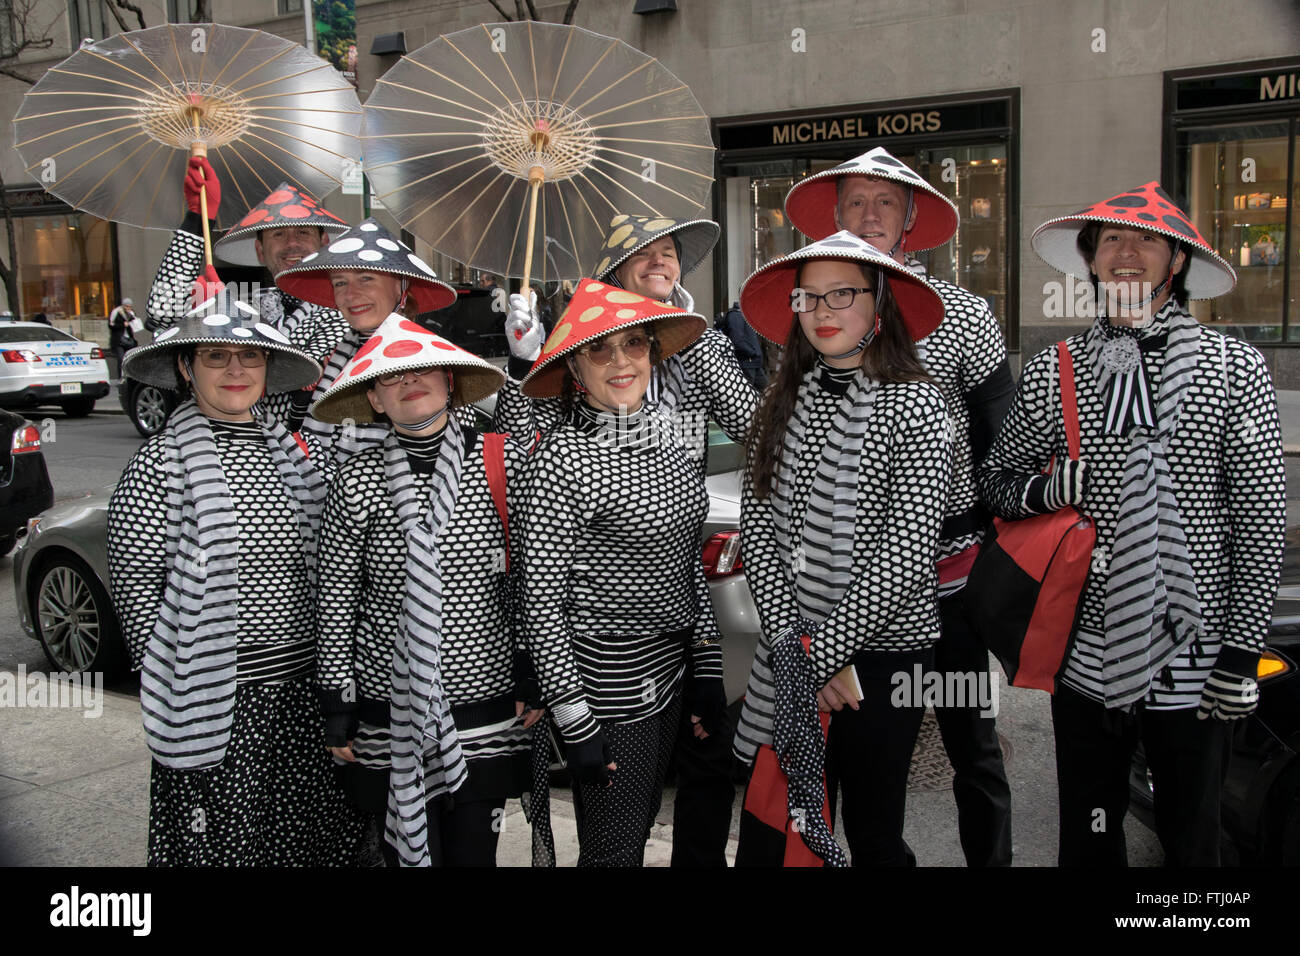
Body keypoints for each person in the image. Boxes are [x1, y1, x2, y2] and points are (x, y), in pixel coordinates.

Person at [978, 182, 1285, 866]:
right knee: (1089, 833)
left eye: (1146, 240)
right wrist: (1050, 487)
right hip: (1086, 650)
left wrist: (1239, 653)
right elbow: (995, 485)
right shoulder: (1057, 367)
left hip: (1194, 651)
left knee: (1190, 839)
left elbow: (1260, 518)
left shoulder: (1232, 366)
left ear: (1175, 263)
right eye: (1110, 239)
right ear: (1090, 258)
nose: (1126, 253)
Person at [500, 216, 758, 867]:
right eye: (600, 349)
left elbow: (682, 562)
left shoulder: (674, 435)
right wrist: (575, 719)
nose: (621, 362)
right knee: (613, 851)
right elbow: (541, 600)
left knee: (636, 833)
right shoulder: (562, 454)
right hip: (606, 684)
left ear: (653, 349)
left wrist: (702, 666)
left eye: (636, 346)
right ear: (574, 366)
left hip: (671, 674)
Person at [784, 146, 1016, 866]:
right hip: (849, 583)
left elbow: (999, 438)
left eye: (887, 202)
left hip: (948, 578)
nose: (871, 214)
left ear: (913, 218)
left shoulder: (967, 317)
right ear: (834, 216)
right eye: (856, 201)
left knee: (971, 742)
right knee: (863, 766)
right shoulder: (814, 312)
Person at [106, 294, 363, 866]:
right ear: (184, 367)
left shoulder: (296, 454)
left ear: (268, 369)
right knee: (225, 848)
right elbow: (138, 597)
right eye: (216, 357)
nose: (236, 371)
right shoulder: (158, 466)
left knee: (306, 845)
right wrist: (181, 683)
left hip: (302, 696)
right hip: (218, 703)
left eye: (249, 357)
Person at [732, 231, 951, 867]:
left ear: (879, 305)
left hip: (886, 657)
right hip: (792, 646)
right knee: (782, 823)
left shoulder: (918, 403)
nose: (824, 311)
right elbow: (762, 528)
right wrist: (796, 648)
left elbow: (907, 553)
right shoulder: (783, 396)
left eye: (843, 294)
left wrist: (819, 656)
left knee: (875, 831)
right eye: (810, 297)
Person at [310, 314, 540, 867]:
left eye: (423, 370)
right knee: (403, 852)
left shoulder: (501, 460)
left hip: (484, 699)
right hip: (387, 706)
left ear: (450, 382)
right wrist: (338, 703)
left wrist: (532, 670)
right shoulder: (356, 478)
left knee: (472, 856)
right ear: (375, 401)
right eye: (390, 377)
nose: (408, 382)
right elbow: (338, 597)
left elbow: (532, 577)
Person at [145, 159, 352, 426]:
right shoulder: (252, 305)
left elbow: (292, 368)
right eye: (278, 234)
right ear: (260, 250)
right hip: (256, 455)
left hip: (337, 456)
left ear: (324, 243)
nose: (291, 244)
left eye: (303, 232)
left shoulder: (353, 305)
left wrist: (232, 320)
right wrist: (196, 219)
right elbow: (163, 311)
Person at [275, 218, 458, 465]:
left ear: (400, 286)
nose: (350, 294)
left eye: (366, 278)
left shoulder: (433, 357)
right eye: (340, 282)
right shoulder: (328, 360)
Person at [717, 300, 766, 389]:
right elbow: (737, 340)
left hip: (754, 361)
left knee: (764, 390)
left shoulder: (746, 315)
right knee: (748, 393)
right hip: (747, 362)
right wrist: (753, 352)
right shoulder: (735, 315)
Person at [106, 297, 137, 381]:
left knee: (130, 358)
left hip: (129, 339)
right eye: (127, 306)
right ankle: (121, 377)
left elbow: (134, 322)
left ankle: (130, 377)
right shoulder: (116, 312)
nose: (128, 308)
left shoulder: (131, 313)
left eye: (130, 306)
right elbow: (111, 325)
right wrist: (123, 325)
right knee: (121, 358)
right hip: (119, 340)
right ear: (123, 306)